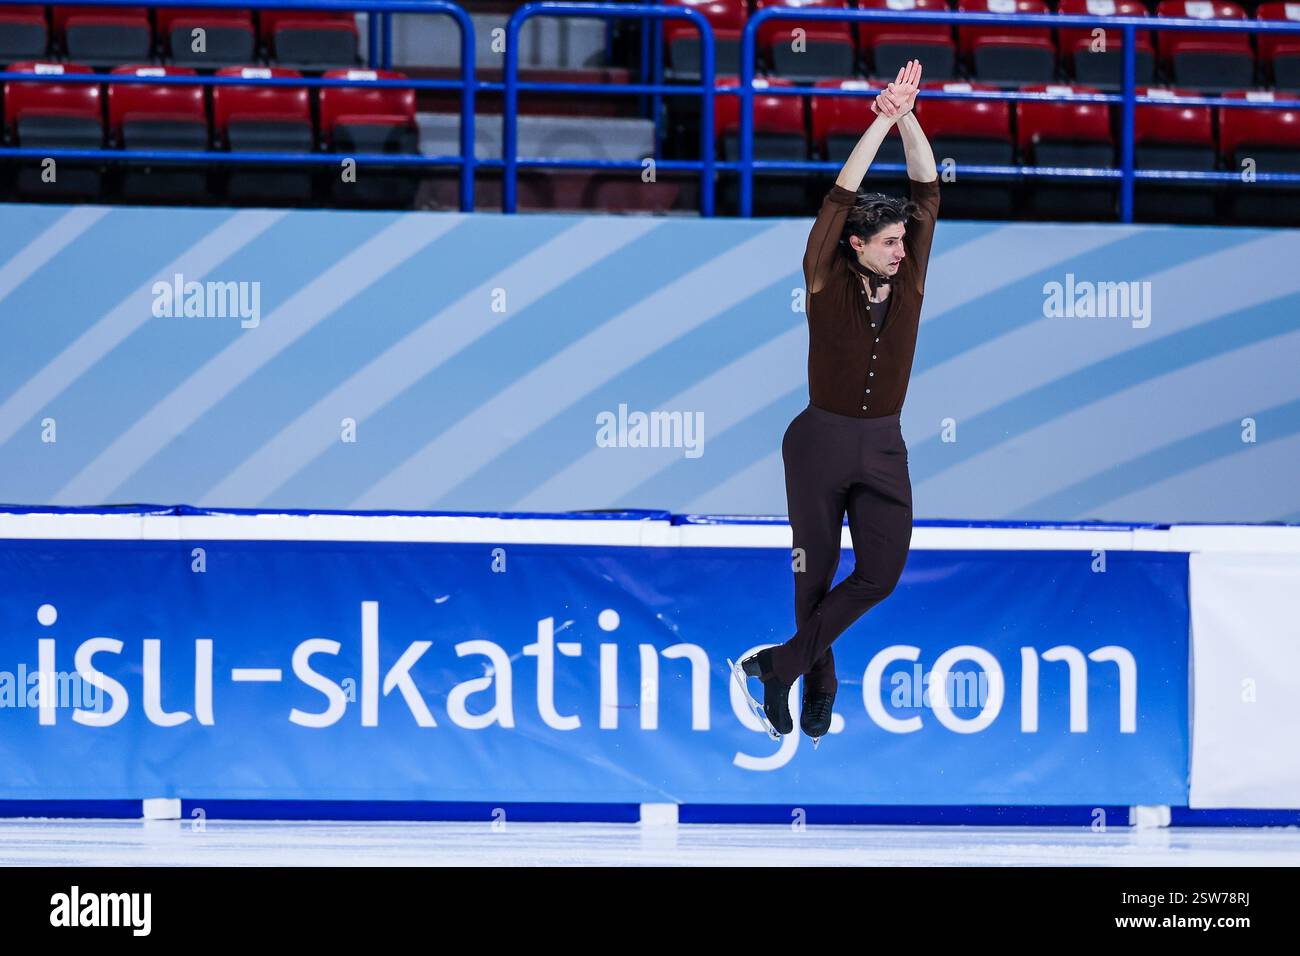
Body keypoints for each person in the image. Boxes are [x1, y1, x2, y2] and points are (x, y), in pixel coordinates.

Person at [733, 61, 940, 744]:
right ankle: (818, 678)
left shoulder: (908, 278)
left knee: (880, 572)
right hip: (818, 441)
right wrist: (877, 120)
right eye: (888, 242)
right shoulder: (825, 275)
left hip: (884, 445)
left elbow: (927, 189)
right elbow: (837, 196)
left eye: (903, 241)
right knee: (813, 576)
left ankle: (781, 665)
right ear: (858, 245)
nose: (901, 250)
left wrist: (907, 115)